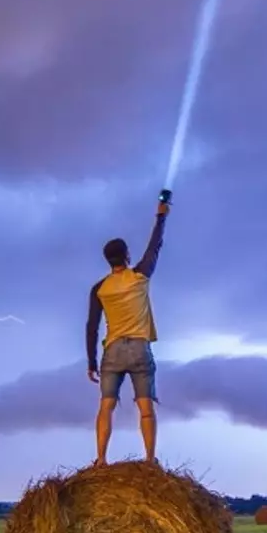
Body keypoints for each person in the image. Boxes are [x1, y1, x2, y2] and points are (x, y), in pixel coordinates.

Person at [86, 192, 170, 466]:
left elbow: (92, 326)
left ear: (107, 260)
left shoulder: (99, 289)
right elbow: (155, 246)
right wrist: (161, 216)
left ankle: (100, 459)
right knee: (145, 408)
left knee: (106, 406)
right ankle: (149, 459)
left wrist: (91, 362)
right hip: (138, 347)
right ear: (127, 255)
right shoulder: (140, 275)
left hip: (111, 350)